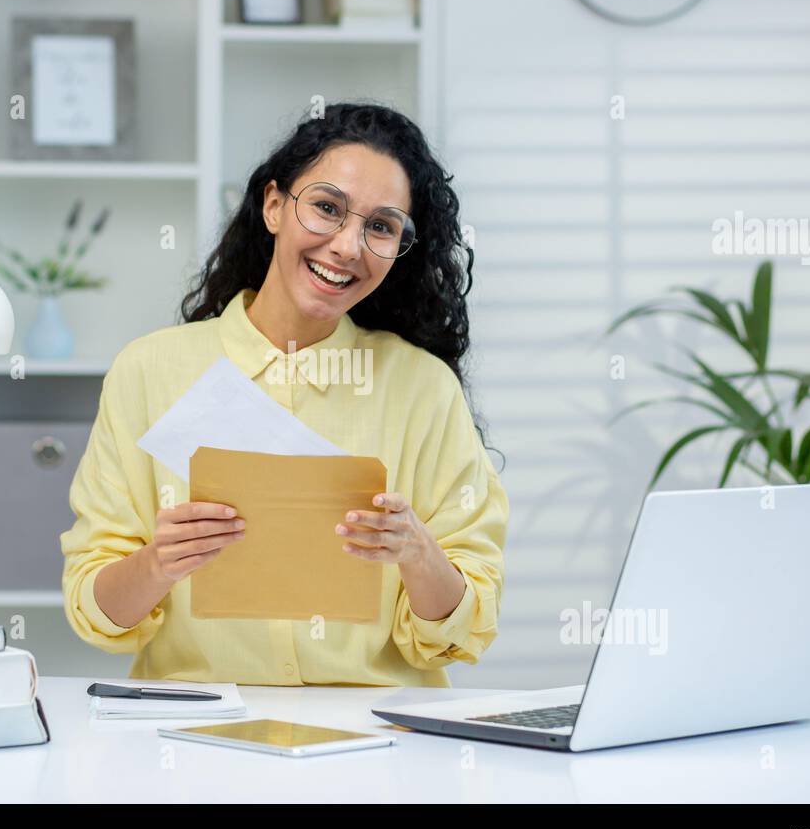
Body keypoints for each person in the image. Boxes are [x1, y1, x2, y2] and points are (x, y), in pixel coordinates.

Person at [61, 102, 508, 687]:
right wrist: (158, 563)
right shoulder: (150, 371)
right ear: (274, 205)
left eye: (380, 226)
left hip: (378, 739)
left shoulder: (423, 388)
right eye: (327, 208)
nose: (348, 245)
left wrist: (419, 555)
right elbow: (96, 614)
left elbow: (459, 629)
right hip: (202, 734)